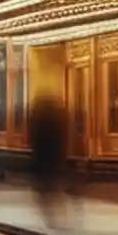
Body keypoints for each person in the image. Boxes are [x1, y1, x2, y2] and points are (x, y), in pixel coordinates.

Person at [29, 96, 67, 226]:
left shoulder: (38, 119)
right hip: (54, 158)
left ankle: (50, 216)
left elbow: (34, 140)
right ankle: (58, 214)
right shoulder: (57, 117)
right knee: (52, 186)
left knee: (44, 189)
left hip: (42, 159)